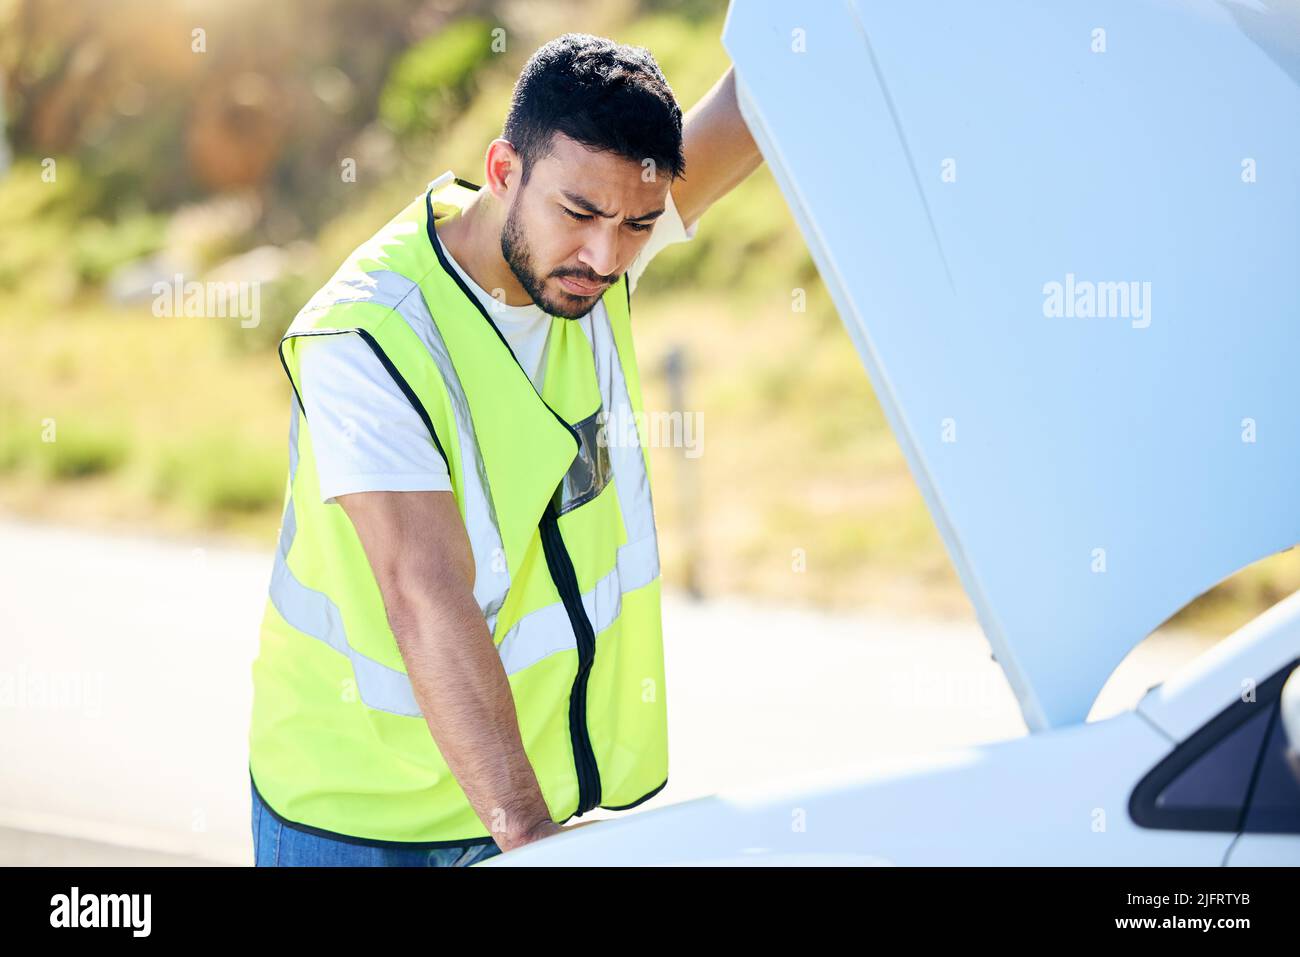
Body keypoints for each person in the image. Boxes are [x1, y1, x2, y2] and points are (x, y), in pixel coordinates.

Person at [249, 31, 763, 867]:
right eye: (581, 215)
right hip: (360, 817)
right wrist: (530, 841)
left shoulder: (595, 243)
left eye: (639, 223)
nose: (605, 257)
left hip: (529, 803)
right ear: (502, 172)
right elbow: (424, 597)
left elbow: (756, 100)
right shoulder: (366, 335)